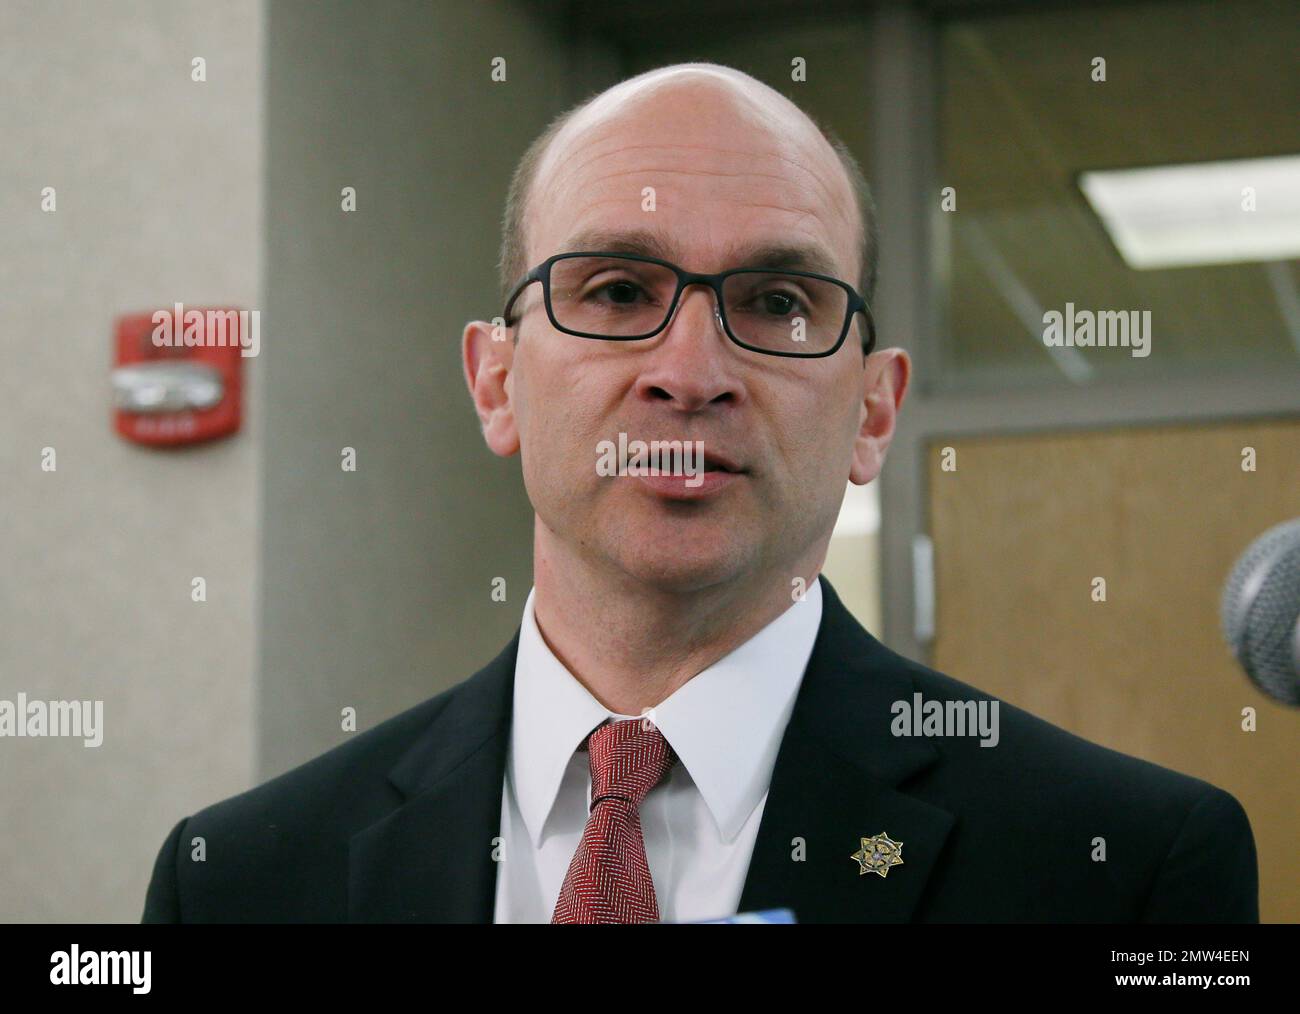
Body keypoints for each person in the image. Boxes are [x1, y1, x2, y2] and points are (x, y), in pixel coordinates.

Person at [142, 62, 1257, 924]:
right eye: (619, 289)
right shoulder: (238, 880)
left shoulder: (1122, 866)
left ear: (873, 411)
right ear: (496, 383)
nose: (691, 371)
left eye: (776, 302)